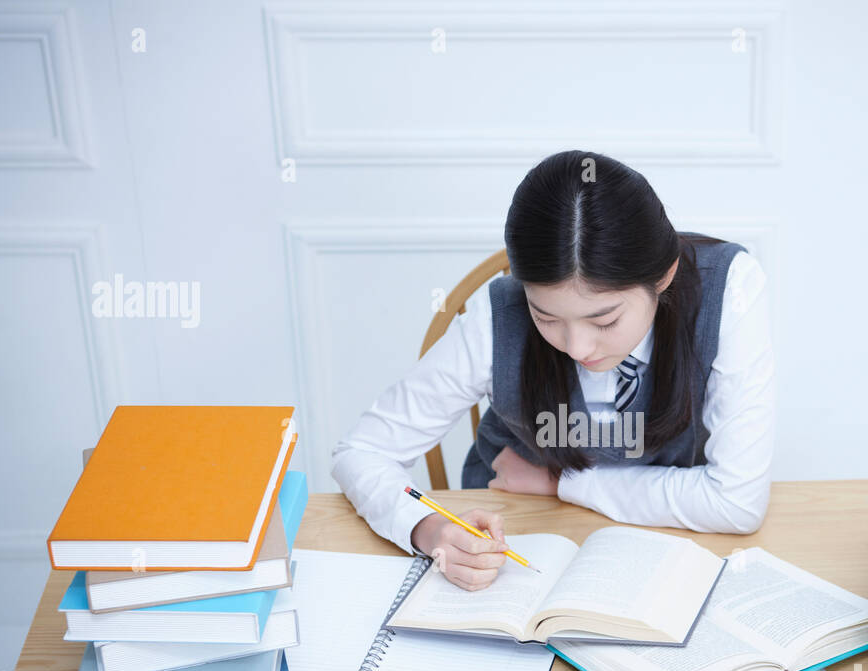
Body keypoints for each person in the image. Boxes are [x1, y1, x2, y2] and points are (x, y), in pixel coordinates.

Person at [332, 150, 774, 591]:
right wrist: (426, 529)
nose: (576, 347)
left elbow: (737, 503)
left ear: (663, 276)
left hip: (667, 541)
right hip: (514, 527)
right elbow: (363, 453)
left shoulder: (730, 289)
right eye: (546, 318)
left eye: (604, 321)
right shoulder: (496, 316)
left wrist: (560, 482)